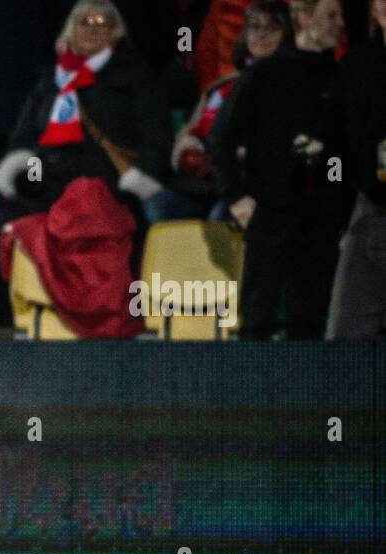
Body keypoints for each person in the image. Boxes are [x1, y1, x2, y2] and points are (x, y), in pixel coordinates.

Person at [209, 0, 350, 339]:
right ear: (303, 18)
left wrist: (339, 201)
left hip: (321, 220)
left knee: (311, 321)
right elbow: (219, 139)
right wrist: (235, 196)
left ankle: (308, 393)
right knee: (259, 318)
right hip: (270, 213)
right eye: (331, 15)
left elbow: (342, 153)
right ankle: (251, 391)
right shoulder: (264, 74)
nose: (340, 23)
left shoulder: (341, 77)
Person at [0, 0, 172, 222]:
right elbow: (25, 135)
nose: (92, 29)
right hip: (49, 177)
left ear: (116, 33)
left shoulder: (136, 77)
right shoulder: (51, 78)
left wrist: (138, 180)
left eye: (102, 23)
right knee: (8, 218)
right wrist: (25, 172)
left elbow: (157, 137)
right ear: (71, 30)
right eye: (84, 22)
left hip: (109, 183)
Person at [156, 2, 293, 223]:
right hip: (208, 182)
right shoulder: (223, 86)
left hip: (252, 186)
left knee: (220, 215)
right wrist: (187, 154)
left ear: (287, 35)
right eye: (254, 27)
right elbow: (192, 131)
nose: (261, 35)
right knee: (159, 206)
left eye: (271, 28)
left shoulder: (292, 85)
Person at [327, 0, 386, 338]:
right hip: (370, 213)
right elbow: (334, 147)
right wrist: (340, 209)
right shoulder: (355, 66)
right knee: (347, 339)